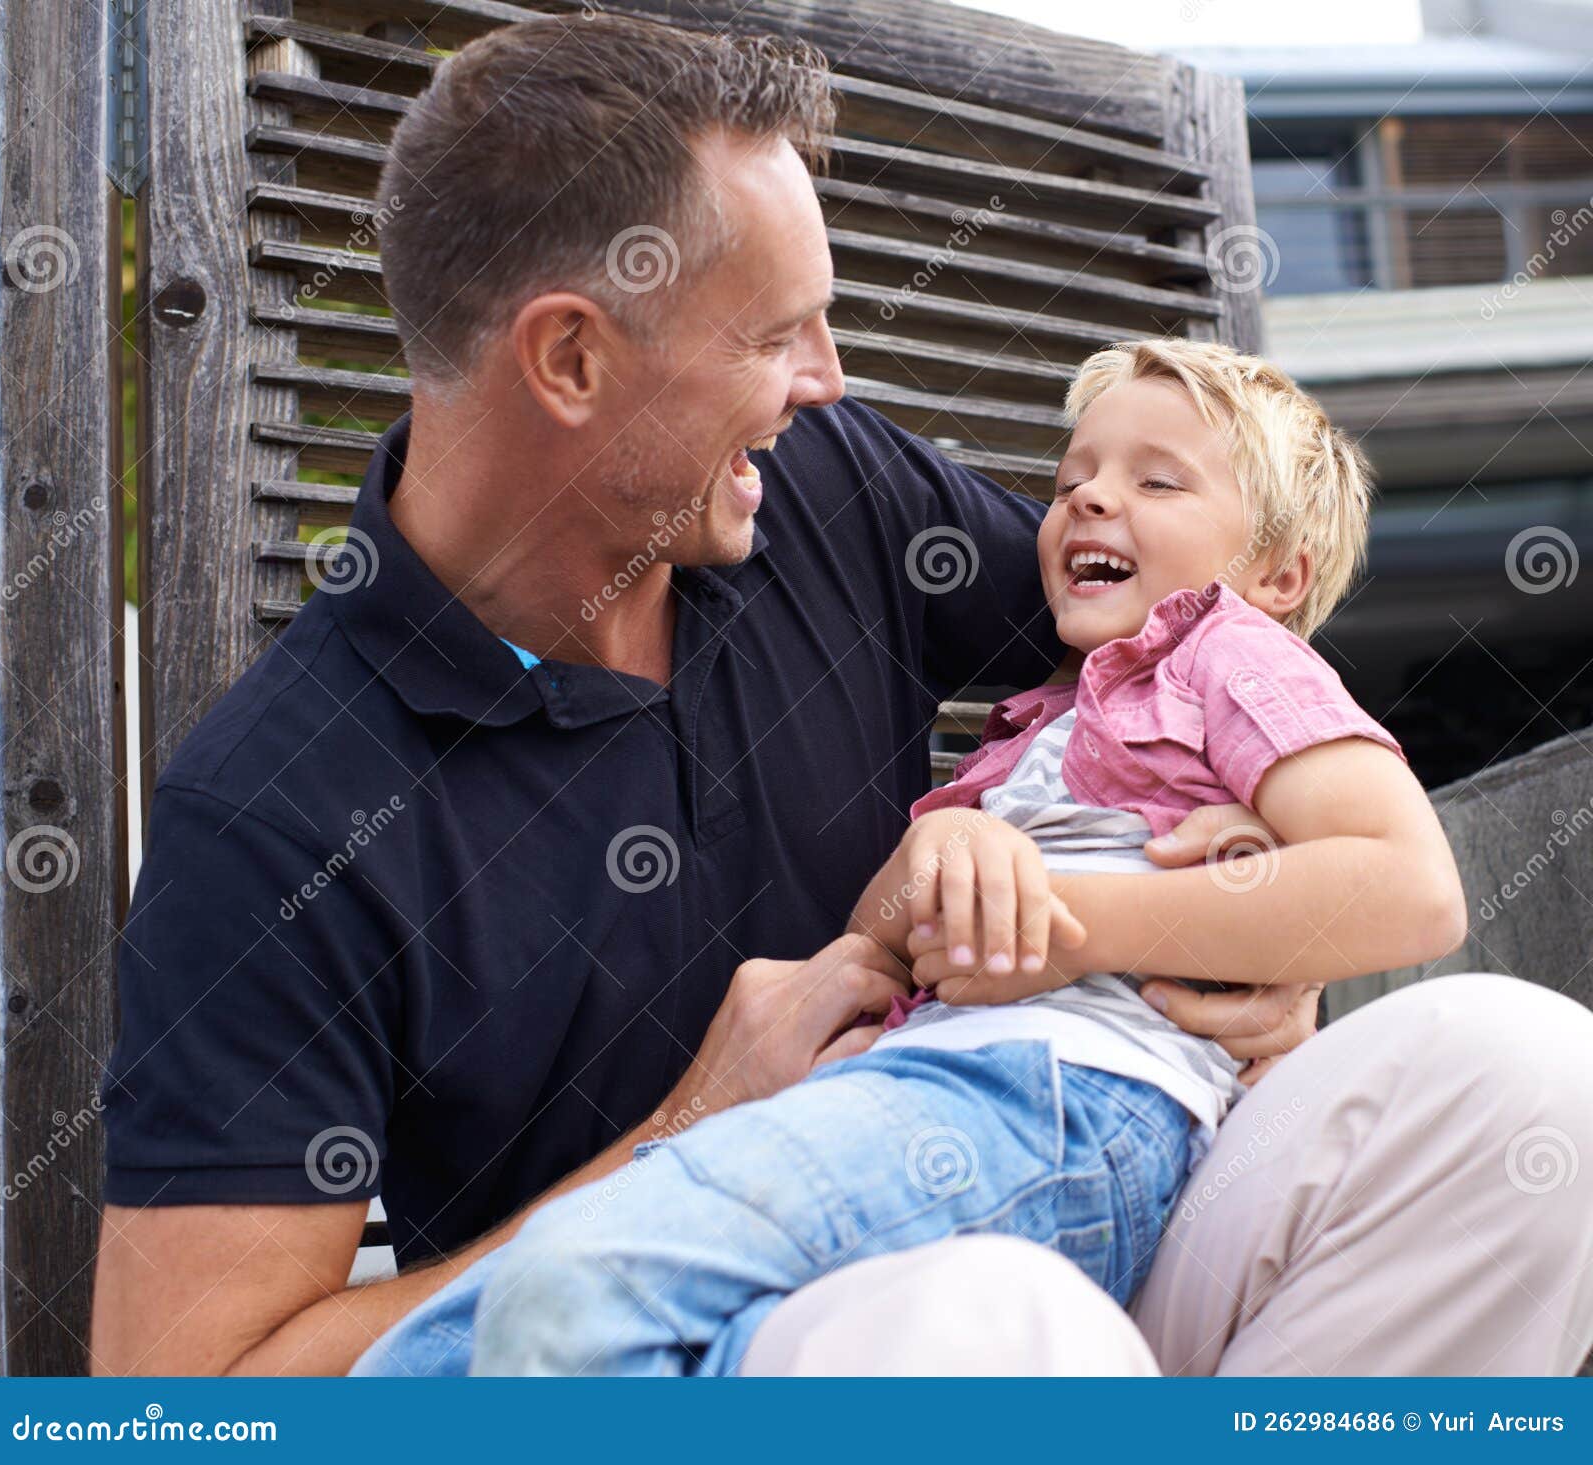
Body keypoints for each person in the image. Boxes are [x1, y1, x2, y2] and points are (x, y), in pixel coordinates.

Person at [90, 15, 1593, 1380]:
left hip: (1096, 1169)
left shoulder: (822, 490)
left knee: (1531, 1085)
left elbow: (1188, 649)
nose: (830, 377)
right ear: (570, 355)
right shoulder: (277, 815)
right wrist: (688, 1125)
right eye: (775, 333)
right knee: (983, 1325)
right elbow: (200, 1400)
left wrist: (1248, 926)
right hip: (732, 1347)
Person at [351, 337, 1471, 1375]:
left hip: (1054, 1097)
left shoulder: (1227, 655)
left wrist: (1075, 925)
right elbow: (890, 929)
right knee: (460, 1337)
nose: (1089, 495)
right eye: (1075, 472)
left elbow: (1410, 888)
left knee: (588, 1290)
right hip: (923, 1092)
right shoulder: (1043, 720)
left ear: (1277, 576)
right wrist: (947, 841)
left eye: (1157, 481)